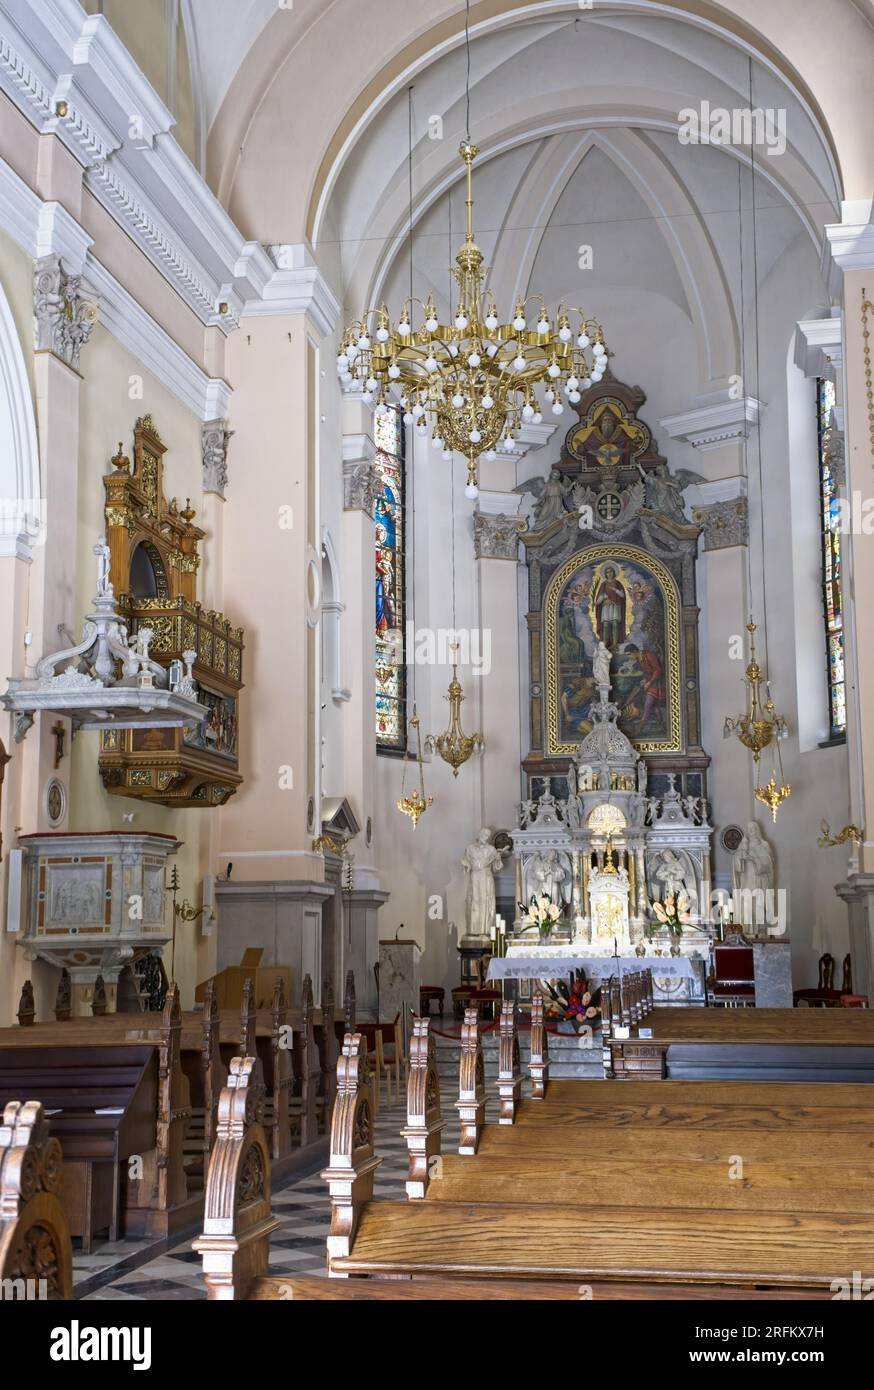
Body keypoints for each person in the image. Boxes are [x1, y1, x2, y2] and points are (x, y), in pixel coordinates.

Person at [461, 829, 505, 936]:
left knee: (486, 901)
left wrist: (498, 859)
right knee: (474, 901)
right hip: (475, 876)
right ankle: (473, 930)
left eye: (488, 835)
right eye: (485, 835)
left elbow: (496, 868)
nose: (486, 837)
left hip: (486, 877)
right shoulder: (470, 848)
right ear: (479, 834)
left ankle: (486, 931)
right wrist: (466, 865)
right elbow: (466, 862)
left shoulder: (491, 849)